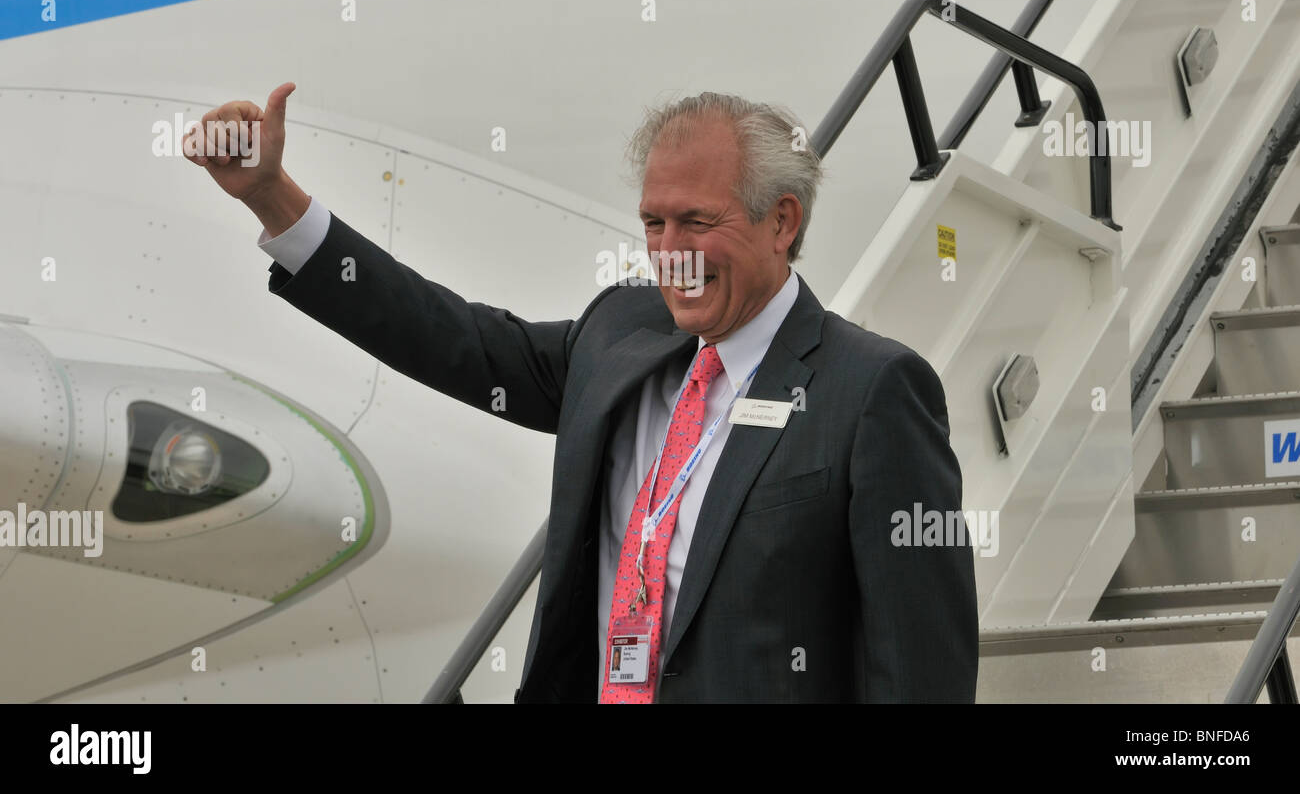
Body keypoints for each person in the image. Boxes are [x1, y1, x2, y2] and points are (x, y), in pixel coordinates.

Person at [184, 82, 978, 703]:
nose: (670, 254)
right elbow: (451, 338)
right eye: (653, 223)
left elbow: (919, 670)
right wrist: (271, 197)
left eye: (696, 222)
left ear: (782, 221)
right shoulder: (618, 337)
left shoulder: (873, 390)